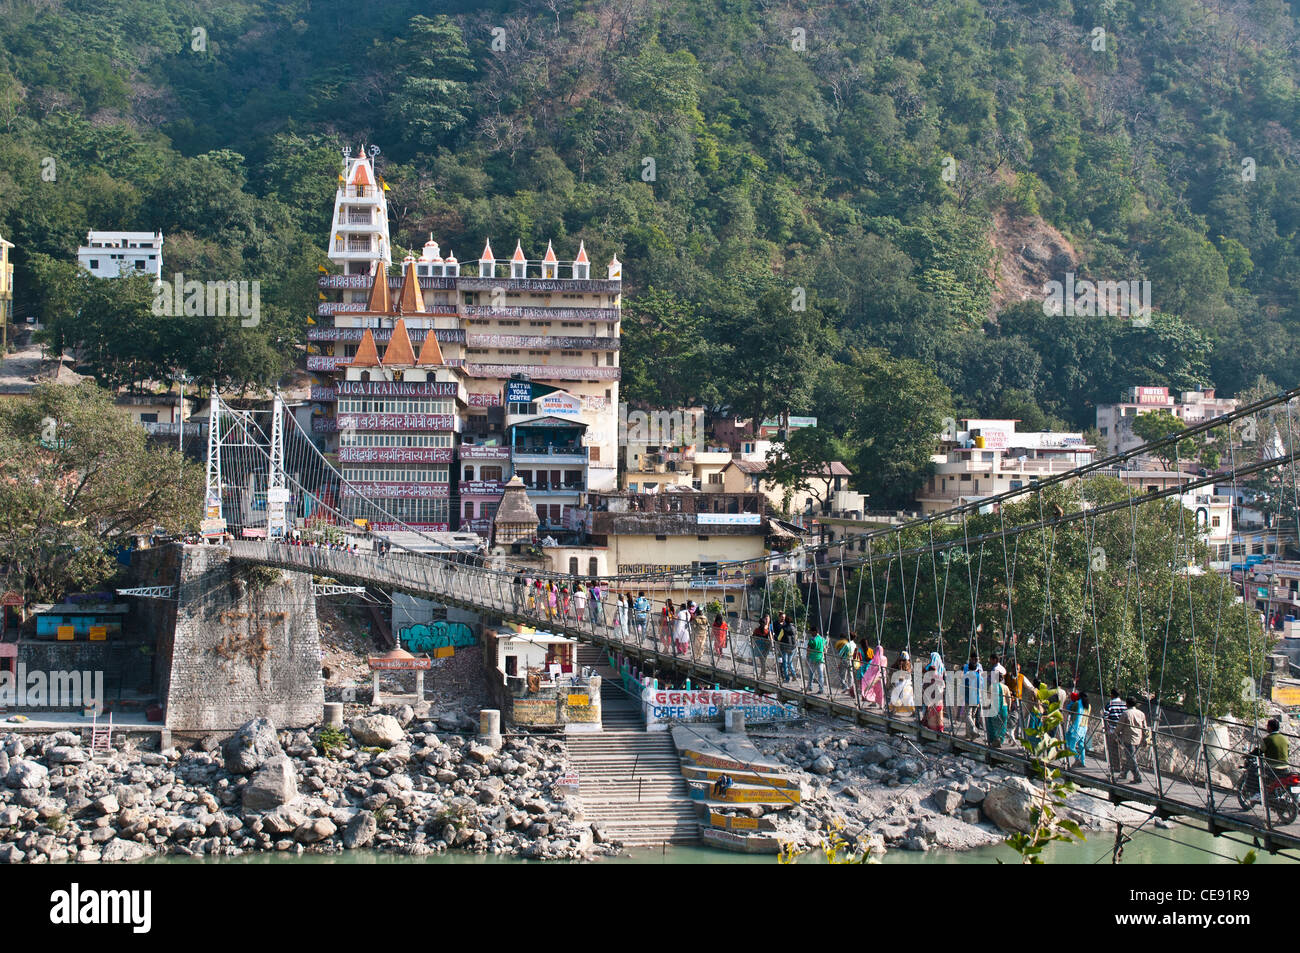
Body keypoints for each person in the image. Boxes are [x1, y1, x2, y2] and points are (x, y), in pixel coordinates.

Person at [1119, 696, 1150, 783]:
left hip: (1128, 739)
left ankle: (1137, 777)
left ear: (1127, 704)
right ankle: (1124, 773)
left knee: (1132, 758)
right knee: (1131, 757)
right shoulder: (1141, 713)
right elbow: (1145, 727)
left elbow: (1120, 726)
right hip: (1138, 738)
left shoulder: (1125, 713)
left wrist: (1116, 734)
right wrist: (1145, 738)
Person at [1104, 687, 1127, 775]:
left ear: (1112, 695)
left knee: (1113, 749)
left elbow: (1105, 716)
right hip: (1122, 730)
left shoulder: (1109, 704)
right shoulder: (1124, 704)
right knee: (1123, 750)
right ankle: (1123, 766)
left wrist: (1107, 728)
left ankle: (1115, 767)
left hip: (1113, 730)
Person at [960, 652, 983, 739]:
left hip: (969, 698)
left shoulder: (967, 675)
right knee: (972, 715)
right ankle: (970, 735)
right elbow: (982, 686)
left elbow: (963, 685)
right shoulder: (979, 676)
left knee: (968, 715)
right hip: (976, 698)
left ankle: (973, 729)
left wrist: (962, 695)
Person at [1065, 690, 1091, 768]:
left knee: (1071, 746)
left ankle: (1077, 759)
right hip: (1084, 728)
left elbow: (1069, 709)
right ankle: (1083, 762)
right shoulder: (1088, 706)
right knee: (1081, 745)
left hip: (1077, 727)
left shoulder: (1077, 704)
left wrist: (1072, 701)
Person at [986, 669, 1011, 747]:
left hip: (994, 707)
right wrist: (1009, 707)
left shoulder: (992, 686)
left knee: (992, 725)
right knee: (1002, 725)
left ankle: (993, 740)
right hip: (1003, 708)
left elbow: (988, 698)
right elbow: (1008, 698)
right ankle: (1000, 739)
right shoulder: (1005, 687)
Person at [922, 652, 945, 732]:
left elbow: (924, 670)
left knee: (930, 708)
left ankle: (928, 724)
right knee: (938, 710)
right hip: (939, 692)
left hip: (931, 692)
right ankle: (939, 727)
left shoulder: (930, 667)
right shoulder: (941, 666)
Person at [860, 643, 887, 708]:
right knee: (881, 691)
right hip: (881, 676)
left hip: (875, 677)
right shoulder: (884, 658)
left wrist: (868, 675)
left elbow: (871, 668)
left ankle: (873, 702)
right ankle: (881, 705)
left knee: (873, 689)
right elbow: (884, 667)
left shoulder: (875, 658)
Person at [888, 651, 914, 716]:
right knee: (907, 698)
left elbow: (900, 674)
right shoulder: (908, 664)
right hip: (905, 684)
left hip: (901, 684)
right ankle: (913, 712)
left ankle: (893, 710)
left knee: (896, 697)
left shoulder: (900, 663)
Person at [774, 613, 797, 683]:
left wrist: (775, 637)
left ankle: (787, 678)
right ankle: (794, 674)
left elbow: (779, 638)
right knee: (790, 662)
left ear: (786, 622)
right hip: (793, 648)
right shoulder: (794, 628)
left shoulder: (783, 629)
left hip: (784, 647)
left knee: (785, 663)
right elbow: (796, 637)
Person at [751, 614, 773, 680]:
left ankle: (762, 675)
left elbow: (753, 637)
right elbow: (771, 640)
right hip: (766, 648)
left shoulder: (756, 630)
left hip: (759, 648)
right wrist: (771, 647)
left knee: (762, 662)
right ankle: (763, 675)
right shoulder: (767, 631)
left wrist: (753, 644)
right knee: (763, 661)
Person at [807, 628, 827, 693]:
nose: (811, 634)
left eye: (811, 632)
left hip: (813, 658)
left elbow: (809, 647)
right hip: (820, 658)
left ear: (815, 632)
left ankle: (810, 686)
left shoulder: (812, 639)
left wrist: (807, 656)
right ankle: (821, 689)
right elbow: (826, 643)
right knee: (820, 674)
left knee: (811, 673)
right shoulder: (822, 639)